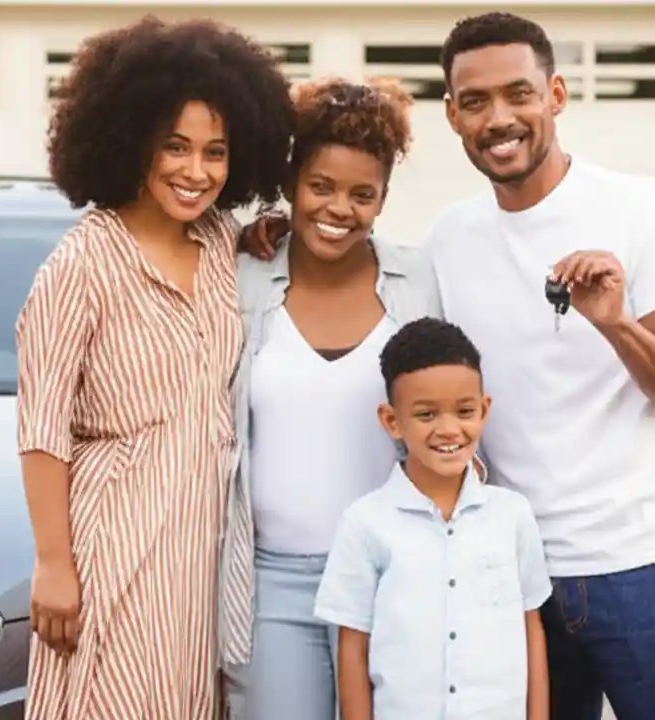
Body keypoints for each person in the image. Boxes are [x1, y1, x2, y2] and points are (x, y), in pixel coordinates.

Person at [243, 11, 655, 720]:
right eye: (475, 102)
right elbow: (351, 242)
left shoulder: (639, 207)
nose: (499, 117)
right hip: (504, 572)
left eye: (518, 94)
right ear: (453, 115)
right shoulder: (445, 244)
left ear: (555, 95)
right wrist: (279, 229)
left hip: (643, 565)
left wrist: (617, 323)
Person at [15, 16, 292, 719]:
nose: (195, 172)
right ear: (131, 136)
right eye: (175, 147)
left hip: (205, 549)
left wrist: (267, 234)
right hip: (115, 542)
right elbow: (41, 427)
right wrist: (54, 564)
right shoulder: (81, 263)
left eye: (216, 152)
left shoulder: (223, 244)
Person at [218, 77, 441, 720]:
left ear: (383, 198)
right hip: (271, 585)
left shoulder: (420, 279)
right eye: (321, 186)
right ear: (292, 181)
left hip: (394, 575)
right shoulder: (243, 274)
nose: (339, 209)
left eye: (361, 194)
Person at [313, 317, 551, 720]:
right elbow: (352, 648)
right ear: (392, 421)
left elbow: (533, 631)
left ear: (484, 409)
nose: (448, 429)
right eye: (426, 415)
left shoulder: (512, 516)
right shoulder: (365, 523)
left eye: (464, 411)